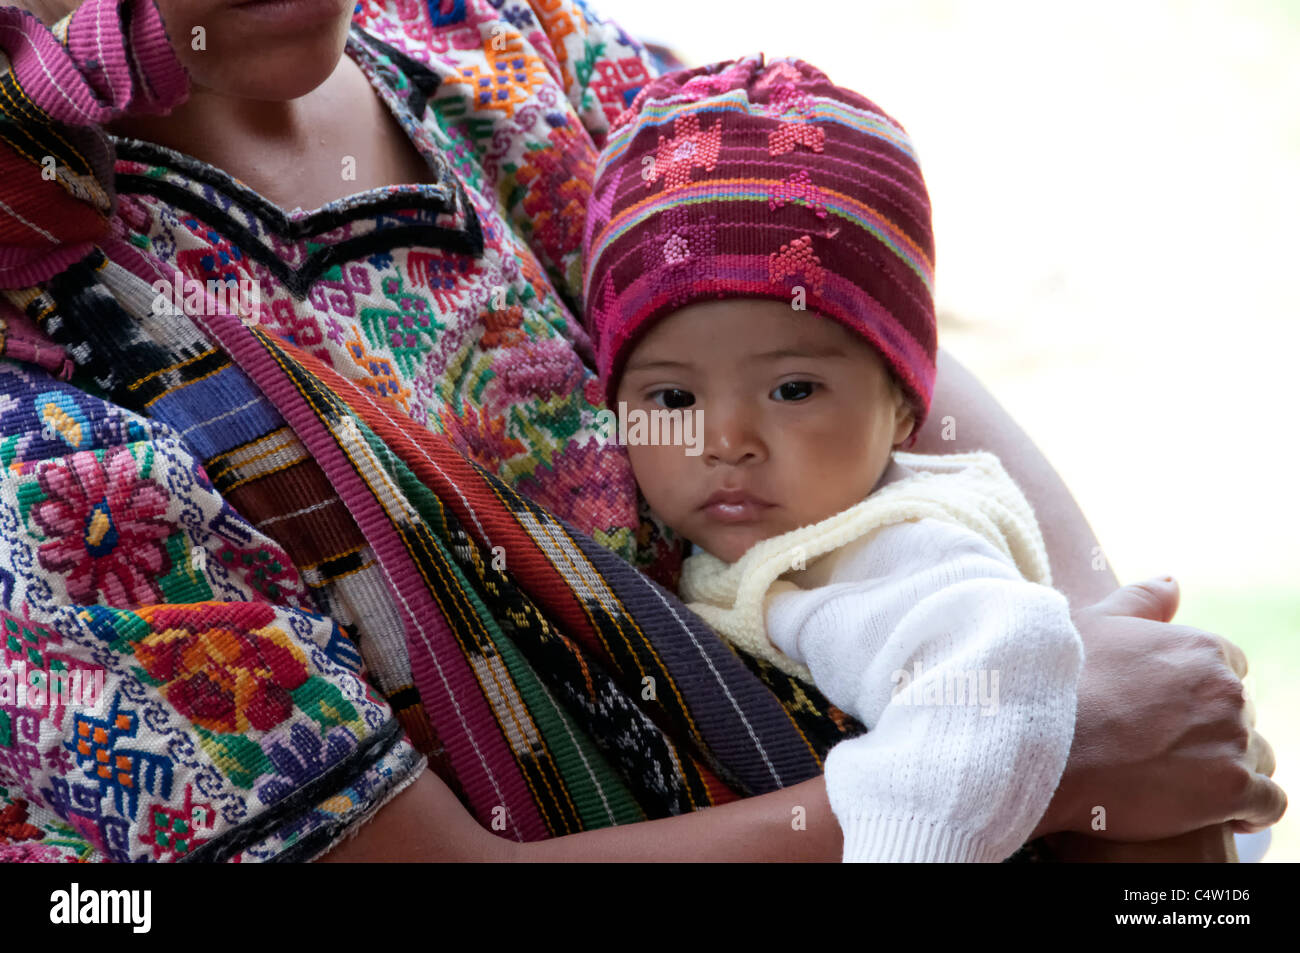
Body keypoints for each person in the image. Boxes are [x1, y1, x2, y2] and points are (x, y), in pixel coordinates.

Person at [0, 0, 1282, 862]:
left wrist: (1093, 649)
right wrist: (1027, 762)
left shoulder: (493, 44)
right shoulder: (38, 375)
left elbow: (852, 303)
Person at [581, 55, 1086, 863]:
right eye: (673, 401)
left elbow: (1006, 662)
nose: (726, 440)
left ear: (903, 405)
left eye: (792, 389)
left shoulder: (897, 544)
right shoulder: (782, 541)